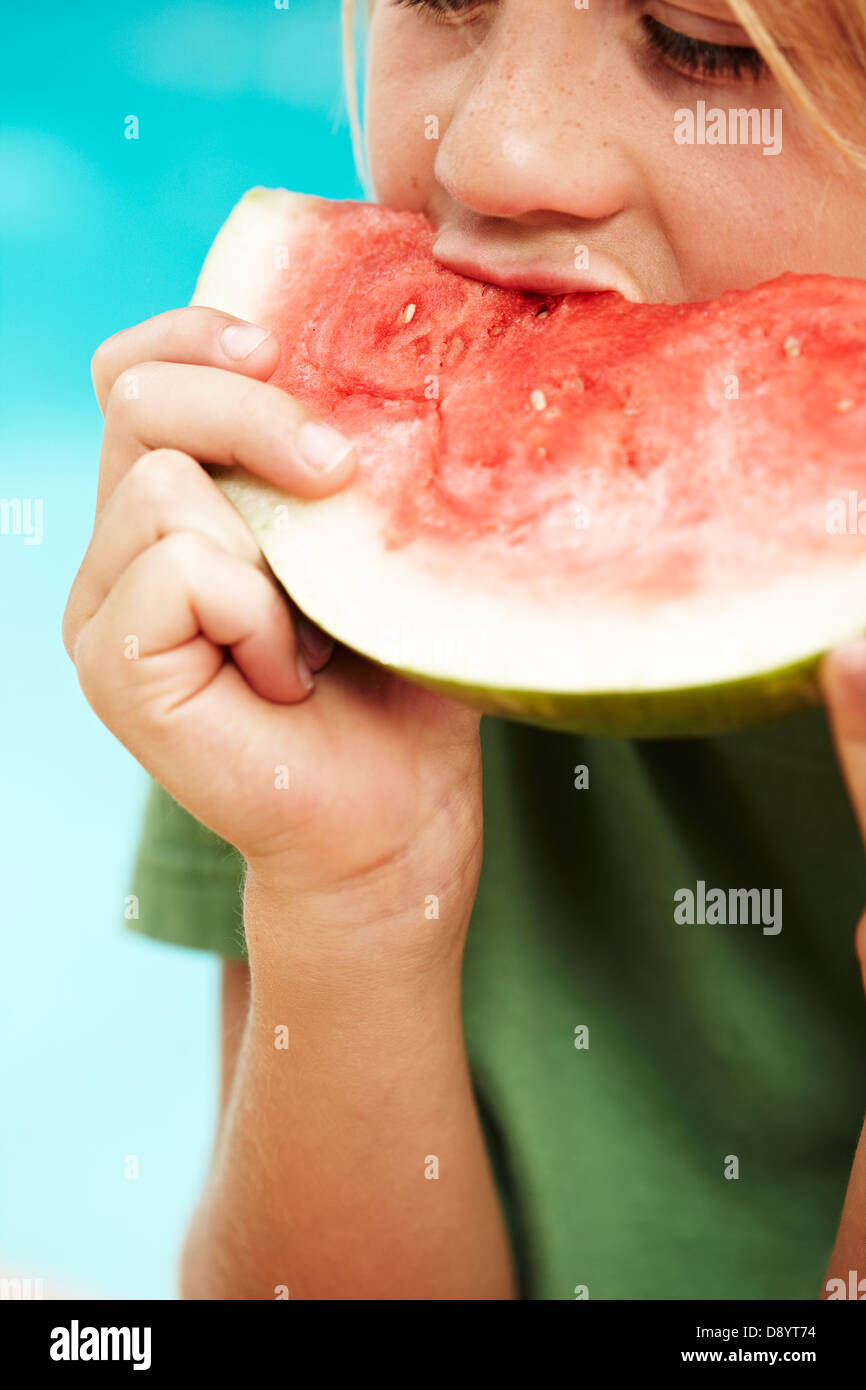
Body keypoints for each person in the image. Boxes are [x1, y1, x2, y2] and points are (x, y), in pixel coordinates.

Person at [63, 0, 866, 1299]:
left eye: (700, 38)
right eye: (440, 0)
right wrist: (353, 897)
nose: (497, 154)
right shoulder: (297, 553)